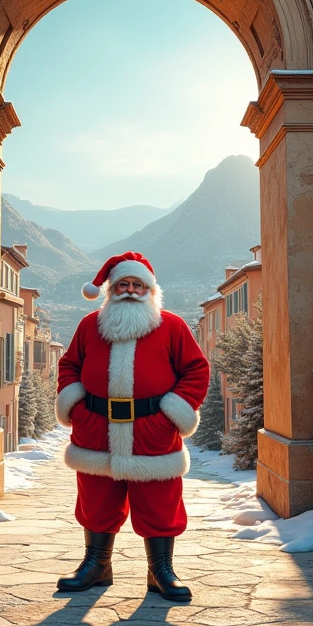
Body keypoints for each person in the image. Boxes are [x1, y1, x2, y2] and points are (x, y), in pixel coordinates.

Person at [54, 251, 209, 602]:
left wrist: (171, 414)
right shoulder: (89, 326)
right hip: (96, 427)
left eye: (137, 285)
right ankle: (96, 565)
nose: (129, 290)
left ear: (150, 290)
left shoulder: (172, 326)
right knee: (96, 499)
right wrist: (76, 406)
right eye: (122, 284)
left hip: (152, 429)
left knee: (159, 502)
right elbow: (69, 366)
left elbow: (196, 370)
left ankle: (161, 571)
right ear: (110, 289)